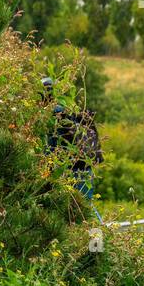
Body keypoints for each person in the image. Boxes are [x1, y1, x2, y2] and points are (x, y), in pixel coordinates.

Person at [42, 77, 105, 222]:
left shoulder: (54, 112)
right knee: (85, 204)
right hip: (85, 165)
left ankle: (99, 238)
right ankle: (100, 237)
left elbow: (51, 145)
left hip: (69, 168)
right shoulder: (72, 109)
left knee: (79, 207)